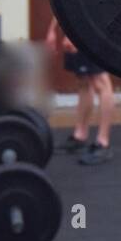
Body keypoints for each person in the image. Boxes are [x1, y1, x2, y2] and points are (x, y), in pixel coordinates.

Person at [44, 16, 113, 165]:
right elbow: (65, 3)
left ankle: (103, 142)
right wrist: (52, 28)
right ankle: (80, 136)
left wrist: (73, 35)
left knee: (100, 81)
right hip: (76, 28)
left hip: (94, 28)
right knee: (83, 80)